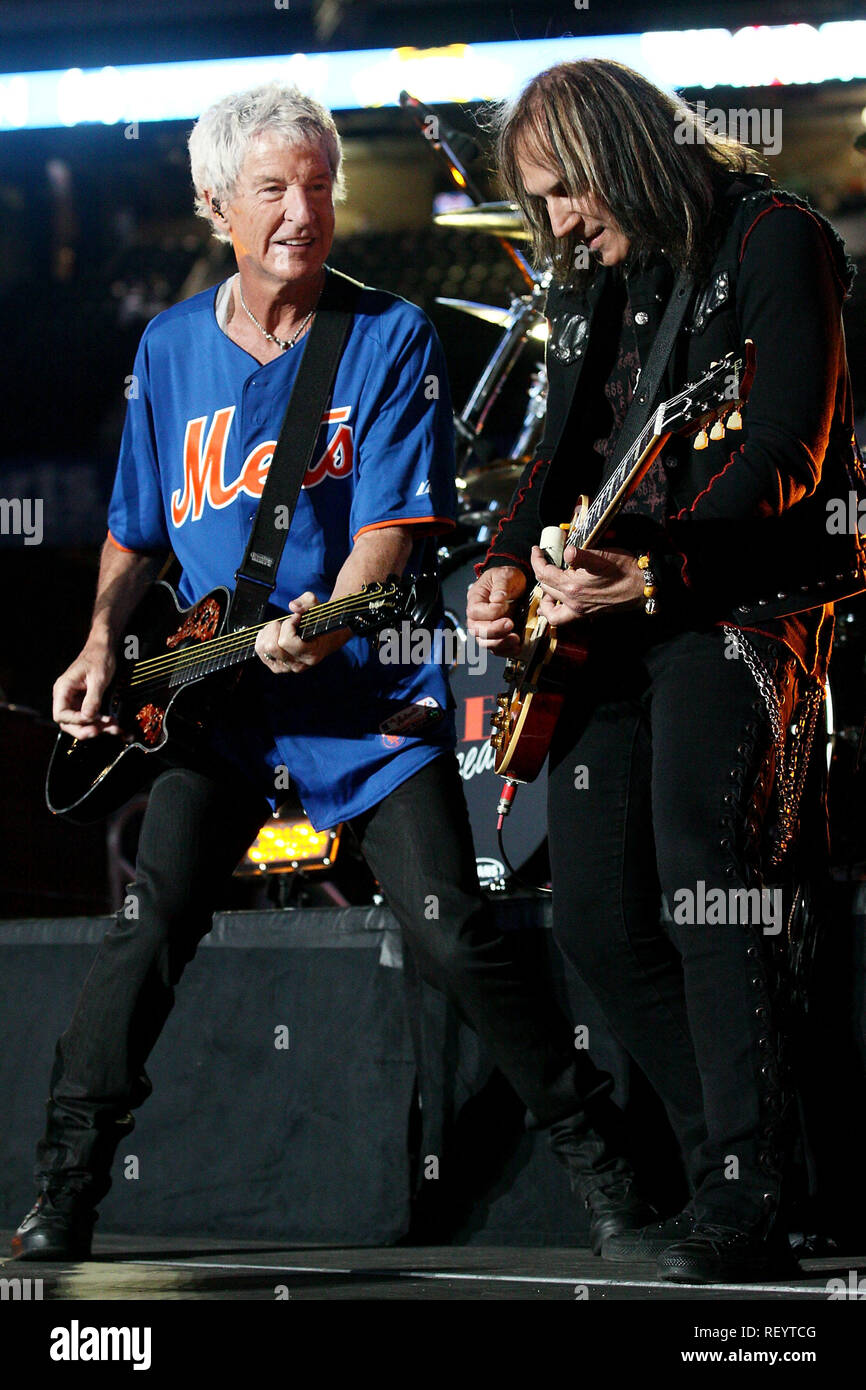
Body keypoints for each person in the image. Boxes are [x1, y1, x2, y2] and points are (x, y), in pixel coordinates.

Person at [11, 81, 651, 1263]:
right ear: (215, 205)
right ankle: (66, 1186)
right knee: (146, 931)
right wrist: (101, 636)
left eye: (317, 186)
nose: (302, 211)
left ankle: (600, 1156)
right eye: (272, 190)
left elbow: (391, 535)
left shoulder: (387, 334)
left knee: (455, 931)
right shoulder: (166, 347)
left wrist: (330, 612)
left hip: (360, 696)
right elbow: (134, 529)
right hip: (220, 707)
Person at [467, 59, 866, 1283]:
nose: (556, 224)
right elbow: (558, 452)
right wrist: (500, 563)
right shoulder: (603, 280)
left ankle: (741, 1201)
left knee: (701, 871)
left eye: (565, 192)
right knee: (590, 912)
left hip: (742, 601)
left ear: (627, 151)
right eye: (536, 203)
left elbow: (788, 456)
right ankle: (748, 1176)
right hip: (609, 619)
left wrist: (661, 574)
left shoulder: (772, 237)